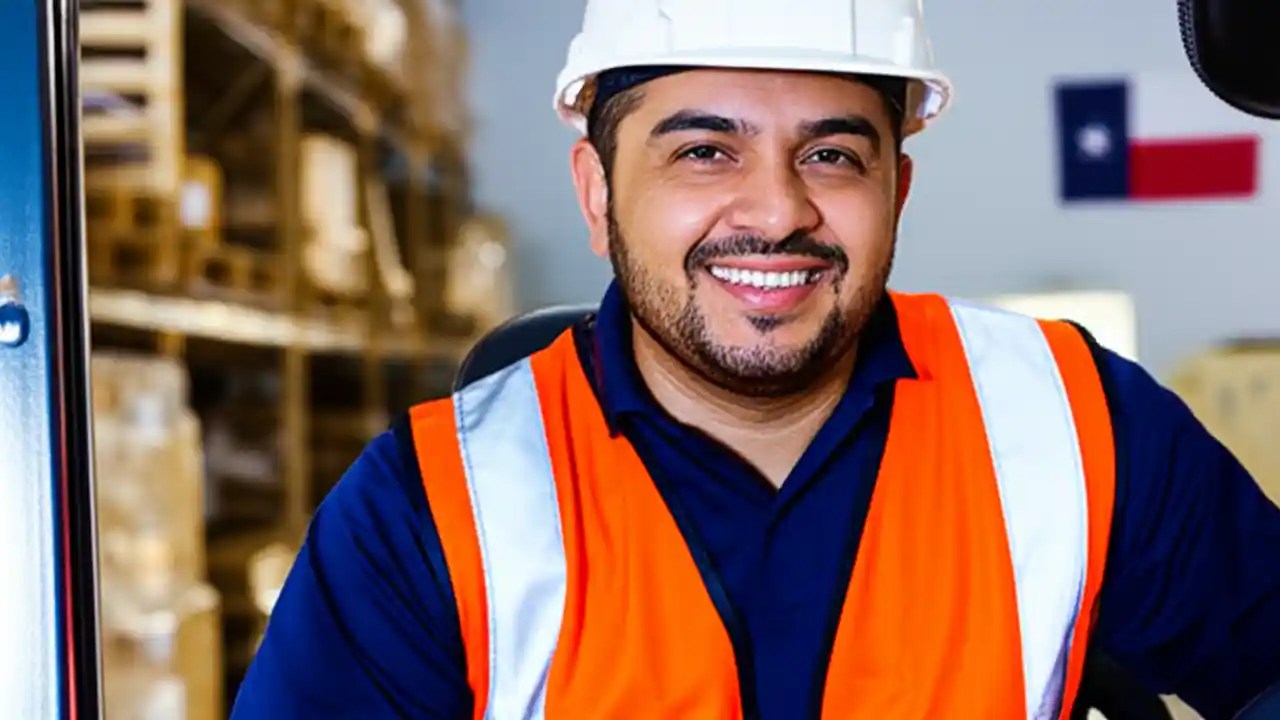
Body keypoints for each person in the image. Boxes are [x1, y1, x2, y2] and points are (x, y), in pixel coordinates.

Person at [231, 1, 1280, 718]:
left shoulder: (1069, 419)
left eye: (830, 153)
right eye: (703, 151)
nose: (777, 209)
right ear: (597, 194)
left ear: (897, 193)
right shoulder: (431, 504)